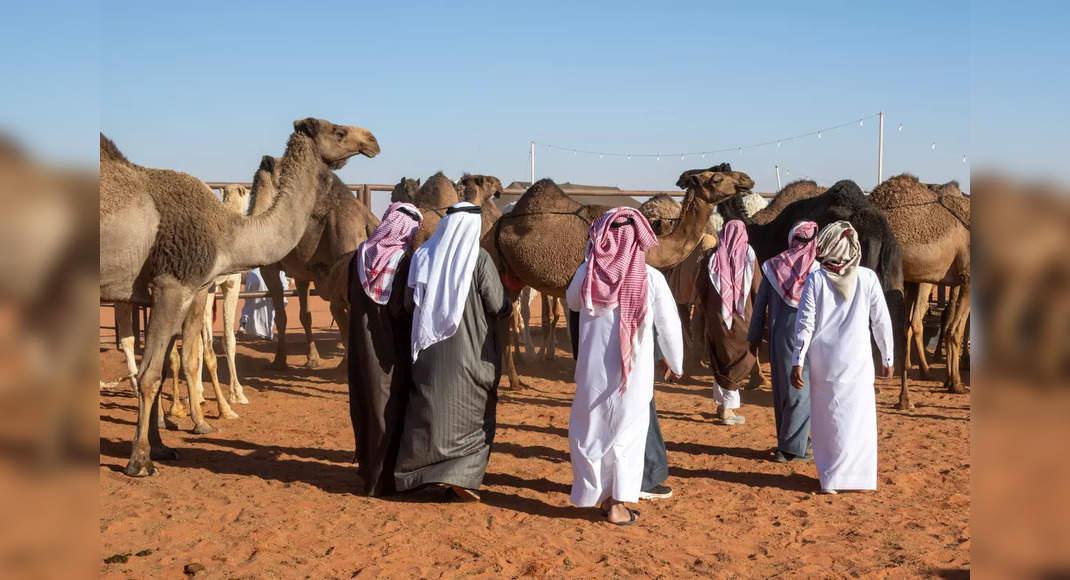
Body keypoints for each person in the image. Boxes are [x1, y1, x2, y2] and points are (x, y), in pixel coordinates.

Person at [566, 208, 683, 526]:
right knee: (626, 437)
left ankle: (600, 497)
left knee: (592, 432)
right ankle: (617, 505)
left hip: (593, 373)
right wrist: (676, 361)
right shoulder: (650, 277)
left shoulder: (587, 273)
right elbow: (669, 325)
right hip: (633, 376)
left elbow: (573, 302)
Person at [394, 201, 511, 501]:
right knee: (472, 415)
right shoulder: (480, 259)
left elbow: (409, 304)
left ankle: (417, 475)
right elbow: (497, 304)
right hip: (471, 355)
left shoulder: (423, 256)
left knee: (427, 410)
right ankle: (461, 477)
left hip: (428, 352)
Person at [791, 221, 894, 494]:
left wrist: (797, 361)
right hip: (859, 363)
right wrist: (888, 356)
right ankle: (860, 480)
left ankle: (832, 480)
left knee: (830, 422)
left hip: (825, 364)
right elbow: (881, 321)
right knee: (858, 422)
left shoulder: (816, 278)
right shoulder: (867, 277)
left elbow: (805, 324)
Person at [347, 202, 422, 496]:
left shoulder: (359, 257)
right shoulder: (402, 262)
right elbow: (402, 308)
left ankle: (368, 471)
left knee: (365, 405)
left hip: (359, 348)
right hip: (390, 352)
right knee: (388, 409)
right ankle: (383, 480)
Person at [748, 221, 819, 462]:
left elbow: (759, 308)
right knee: (801, 390)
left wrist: (754, 338)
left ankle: (791, 441)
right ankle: (791, 450)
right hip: (806, 337)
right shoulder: (817, 270)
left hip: (778, 337)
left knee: (782, 391)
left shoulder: (772, 266)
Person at [696, 220, 757, 425]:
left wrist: (709, 310)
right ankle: (728, 410)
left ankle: (723, 405)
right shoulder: (749, 256)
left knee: (720, 358)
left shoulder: (711, 257)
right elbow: (757, 287)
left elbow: (701, 288)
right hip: (742, 318)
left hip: (717, 318)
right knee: (741, 360)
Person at [238, 267, 288, 339]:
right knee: (271, 307)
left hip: (253, 274)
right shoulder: (281, 272)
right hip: (272, 274)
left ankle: (243, 324)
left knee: (249, 302)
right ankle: (267, 334)